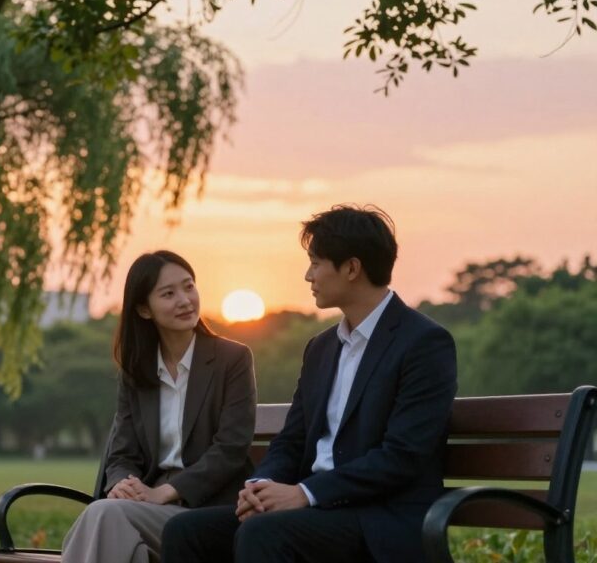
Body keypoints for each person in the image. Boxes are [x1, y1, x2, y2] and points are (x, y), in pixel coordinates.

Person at [161, 205, 458, 563]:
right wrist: (262, 485)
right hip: (316, 509)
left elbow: (402, 456)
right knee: (186, 531)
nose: (307, 275)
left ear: (351, 268)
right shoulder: (321, 348)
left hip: (381, 518)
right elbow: (293, 439)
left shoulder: (424, 343)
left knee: (263, 534)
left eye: (316, 263)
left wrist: (305, 493)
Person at [62, 250, 257, 563]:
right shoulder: (136, 371)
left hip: (207, 511)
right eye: (168, 294)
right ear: (144, 309)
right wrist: (123, 485)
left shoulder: (231, 359)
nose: (184, 300)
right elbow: (122, 453)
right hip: (146, 507)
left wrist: (164, 493)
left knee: (106, 519)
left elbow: (230, 449)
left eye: (189, 286)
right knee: (120, 535)